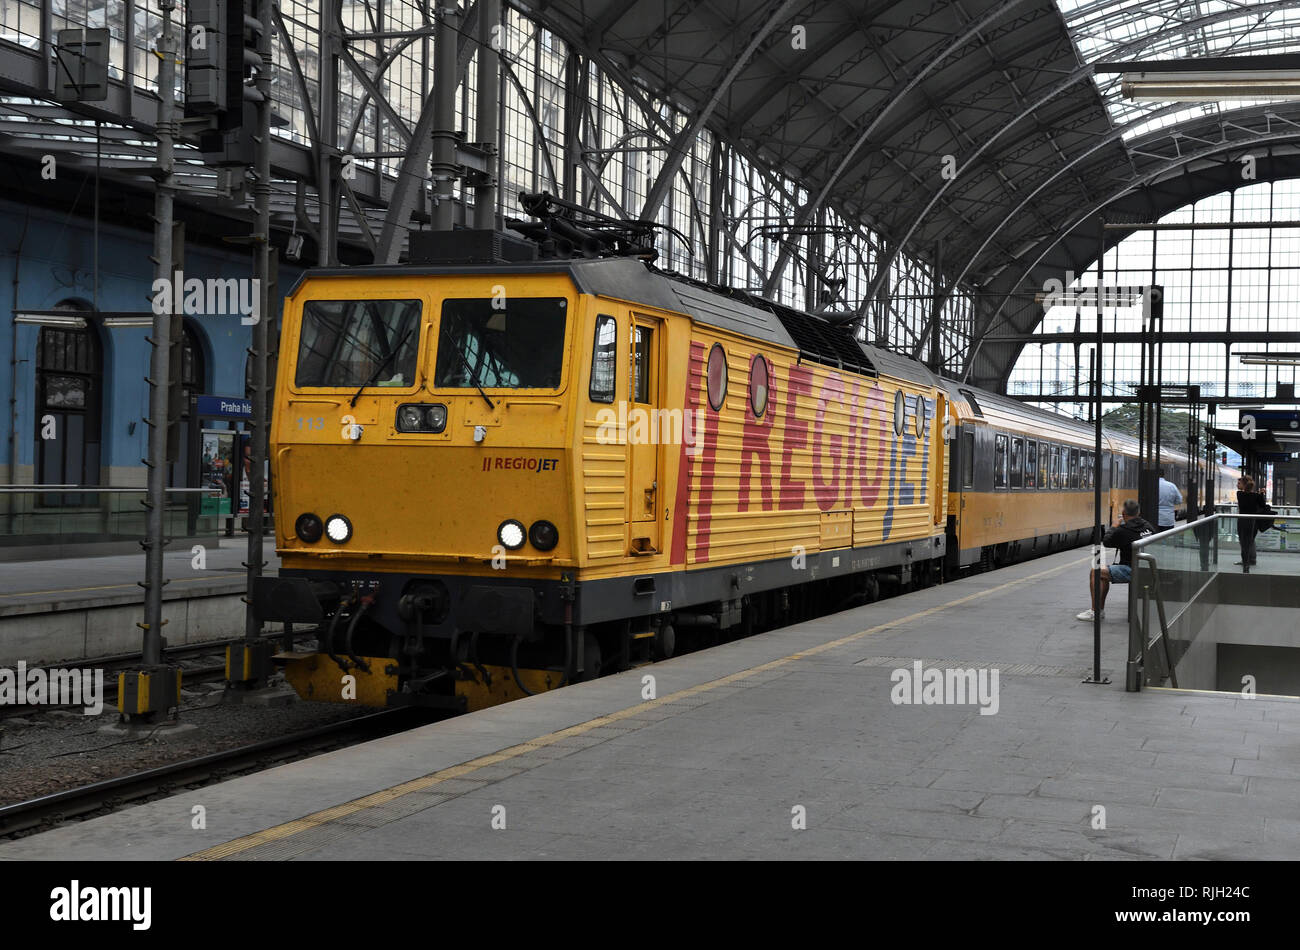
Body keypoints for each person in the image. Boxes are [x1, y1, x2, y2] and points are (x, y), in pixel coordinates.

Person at [1077, 499, 1155, 622]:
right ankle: (1098, 611)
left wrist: (1113, 526)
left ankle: (1095, 612)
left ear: (1124, 514)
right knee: (1103, 574)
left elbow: (1107, 542)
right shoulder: (1148, 526)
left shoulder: (1124, 530)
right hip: (1148, 567)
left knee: (1096, 572)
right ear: (1138, 513)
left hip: (1132, 569)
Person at [1236, 476, 1266, 571]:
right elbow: (1262, 505)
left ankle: (1246, 562)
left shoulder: (1239, 494)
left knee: (1243, 541)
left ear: (1244, 485)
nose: (1237, 485)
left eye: (1239, 483)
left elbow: (1245, 495)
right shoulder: (1256, 496)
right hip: (1252, 521)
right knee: (1249, 541)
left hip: (1242, 520)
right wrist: (1261, 494)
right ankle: (1250, 561)